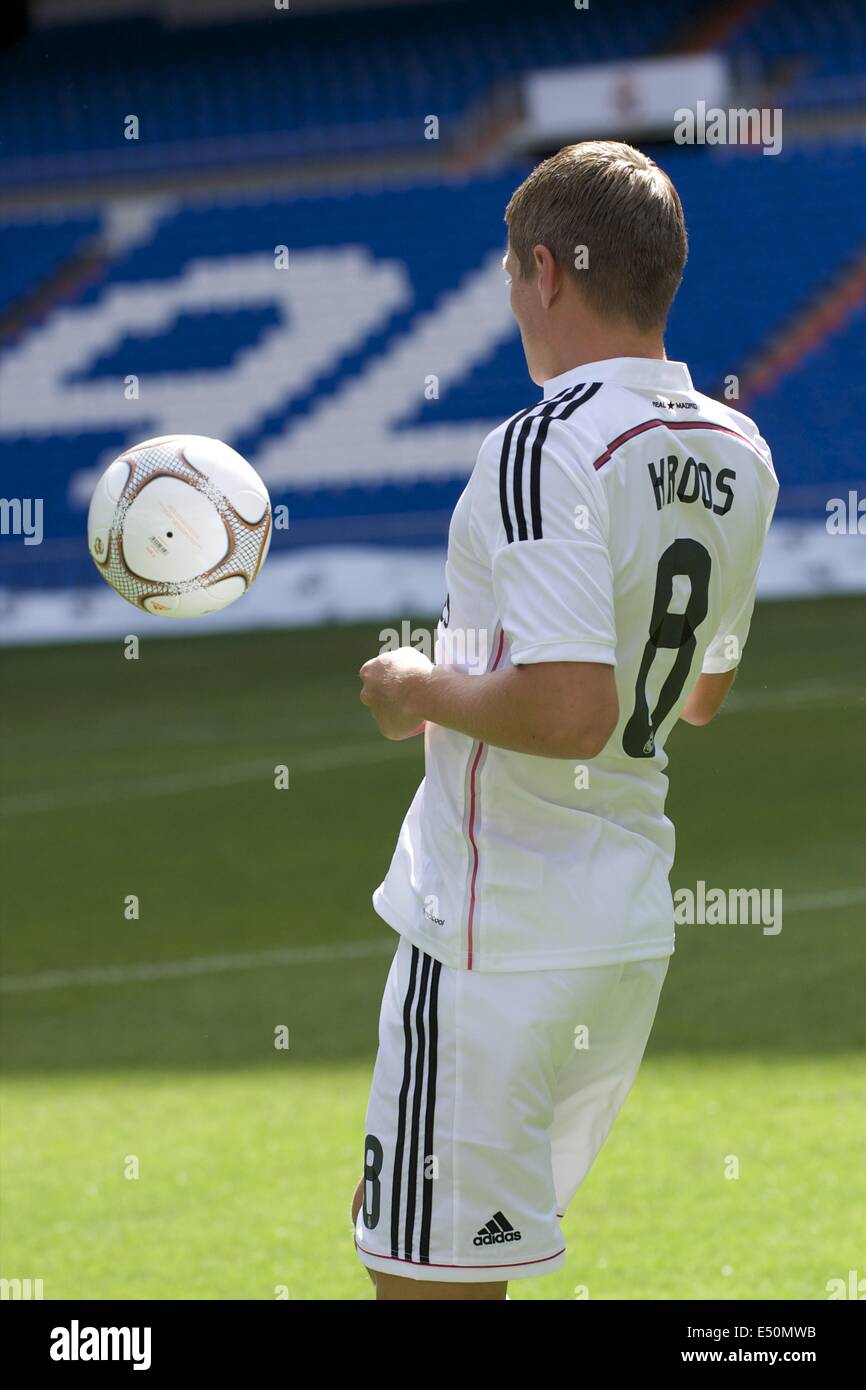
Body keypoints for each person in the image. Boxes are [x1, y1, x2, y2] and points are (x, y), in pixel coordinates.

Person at [354, 141, 778, 1300]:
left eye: (508, 273)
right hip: (621, 936)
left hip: (496, 939)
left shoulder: (541, 442)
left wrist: (413, 689)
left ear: (545, 270)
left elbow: (566, 710)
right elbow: (702, 692)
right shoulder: (739, 448)